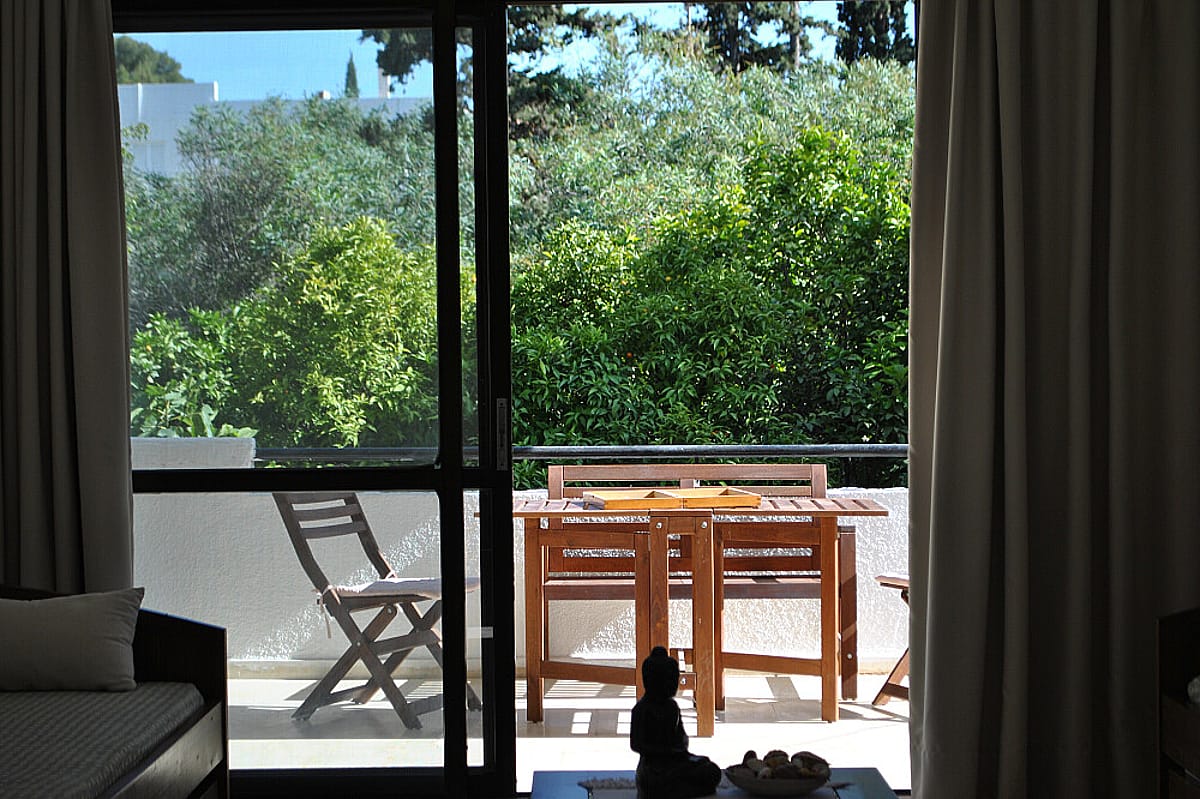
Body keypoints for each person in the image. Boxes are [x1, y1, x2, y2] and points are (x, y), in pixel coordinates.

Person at [629, 646, 722, 799]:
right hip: (653, 767)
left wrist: (679, 749)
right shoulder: (642, 709)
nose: (673, 685)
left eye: (674, 680)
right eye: (667, 681)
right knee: (657, 782)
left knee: (710, 769)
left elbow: (681, 737)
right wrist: (663, 751)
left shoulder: (672, 707)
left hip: (676, 761)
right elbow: (637, 744)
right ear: (650, 680)